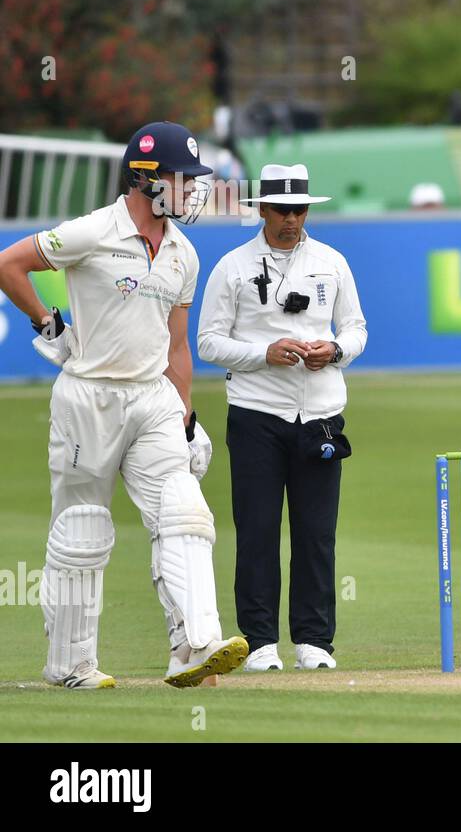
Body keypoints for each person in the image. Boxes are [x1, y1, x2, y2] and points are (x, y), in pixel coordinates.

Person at [0, 121, 247, 689]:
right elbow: (10, 264)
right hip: (89, 396)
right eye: (182, 180)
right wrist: (47, 322)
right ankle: (70, 664)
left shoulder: (184, 253)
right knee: (82, 532)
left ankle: (194, 645)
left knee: (183, 508)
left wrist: (186, 420)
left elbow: (178, 345)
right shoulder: (92, 231)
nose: (191, 191)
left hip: (153, 398)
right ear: (146, 177)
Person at [197, 163, 367, 671]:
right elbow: (208, 341)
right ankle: (260, 641)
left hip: (319, 413)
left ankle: (314, 642)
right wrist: (263, 353)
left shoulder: (332, 261)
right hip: (255, 413)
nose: (292, 219)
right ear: (262, 210)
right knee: (257, 530)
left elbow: (356, 328)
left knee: (316, 532)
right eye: (282, 210)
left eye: (300, 210)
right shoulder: (232, 265)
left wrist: (333, 350)